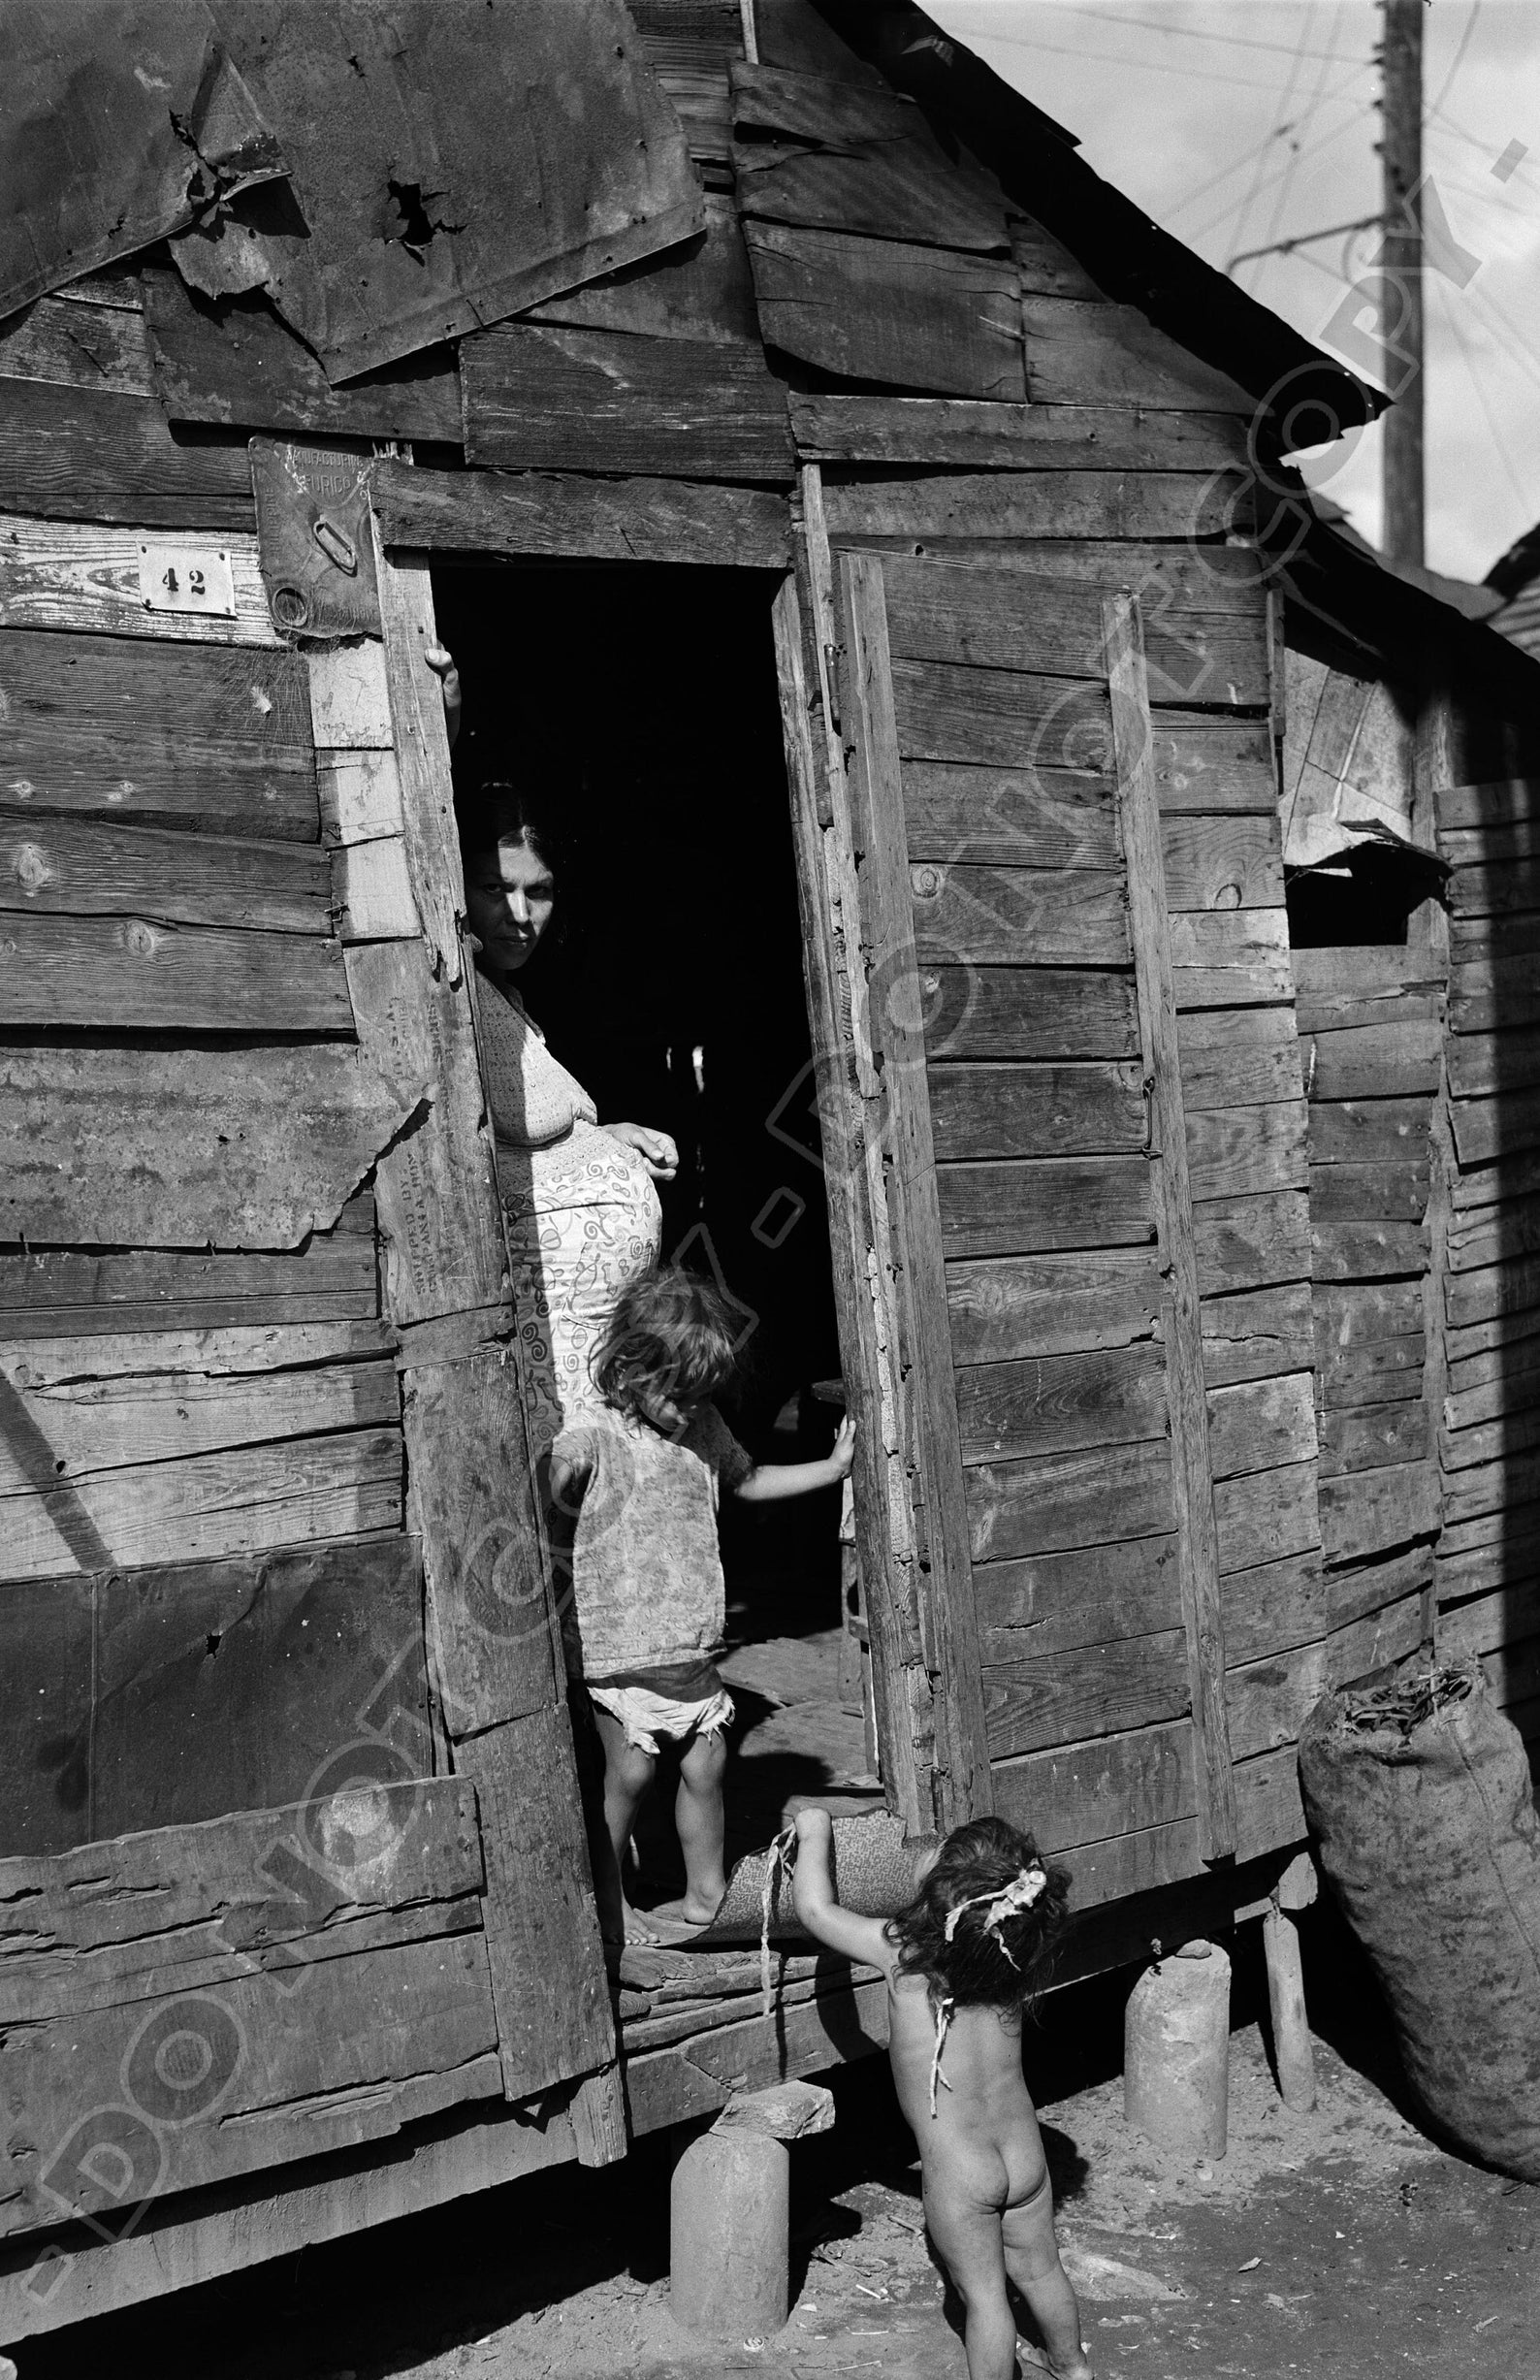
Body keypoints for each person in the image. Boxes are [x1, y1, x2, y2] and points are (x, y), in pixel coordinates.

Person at [550, 1266, 855, 1945]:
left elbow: (745, 1480)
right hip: (618, 1650)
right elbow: (560, 1471)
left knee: (707, 1766)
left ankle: (705, 1895)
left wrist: (831, 1471)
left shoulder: (703, 1430)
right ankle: (609, 1905)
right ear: (630, 1368)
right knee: (628, 1773)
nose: (689, 1408)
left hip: (689, 1647)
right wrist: (554, 1478)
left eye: (699, 1395)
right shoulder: (597, 1433)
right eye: (676, 1394)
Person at [792, 1808, 1091, 2380]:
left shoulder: (904, 1956)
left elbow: (814, 1909)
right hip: (1024, 2156)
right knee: (1041, 2271)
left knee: (985, 2300)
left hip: (960, 2171)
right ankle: (1073, 2367)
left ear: (940, 1894)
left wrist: (813, 1831)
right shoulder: (1010, 1964)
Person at [457, 778, 679, 1457]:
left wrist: (601, 1139)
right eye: (496, 889)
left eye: (539, 891)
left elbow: (520, 1127)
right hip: (533, 1350)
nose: (520, 914)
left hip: (583, 1351)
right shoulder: (447, 983)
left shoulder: (507, 1001)